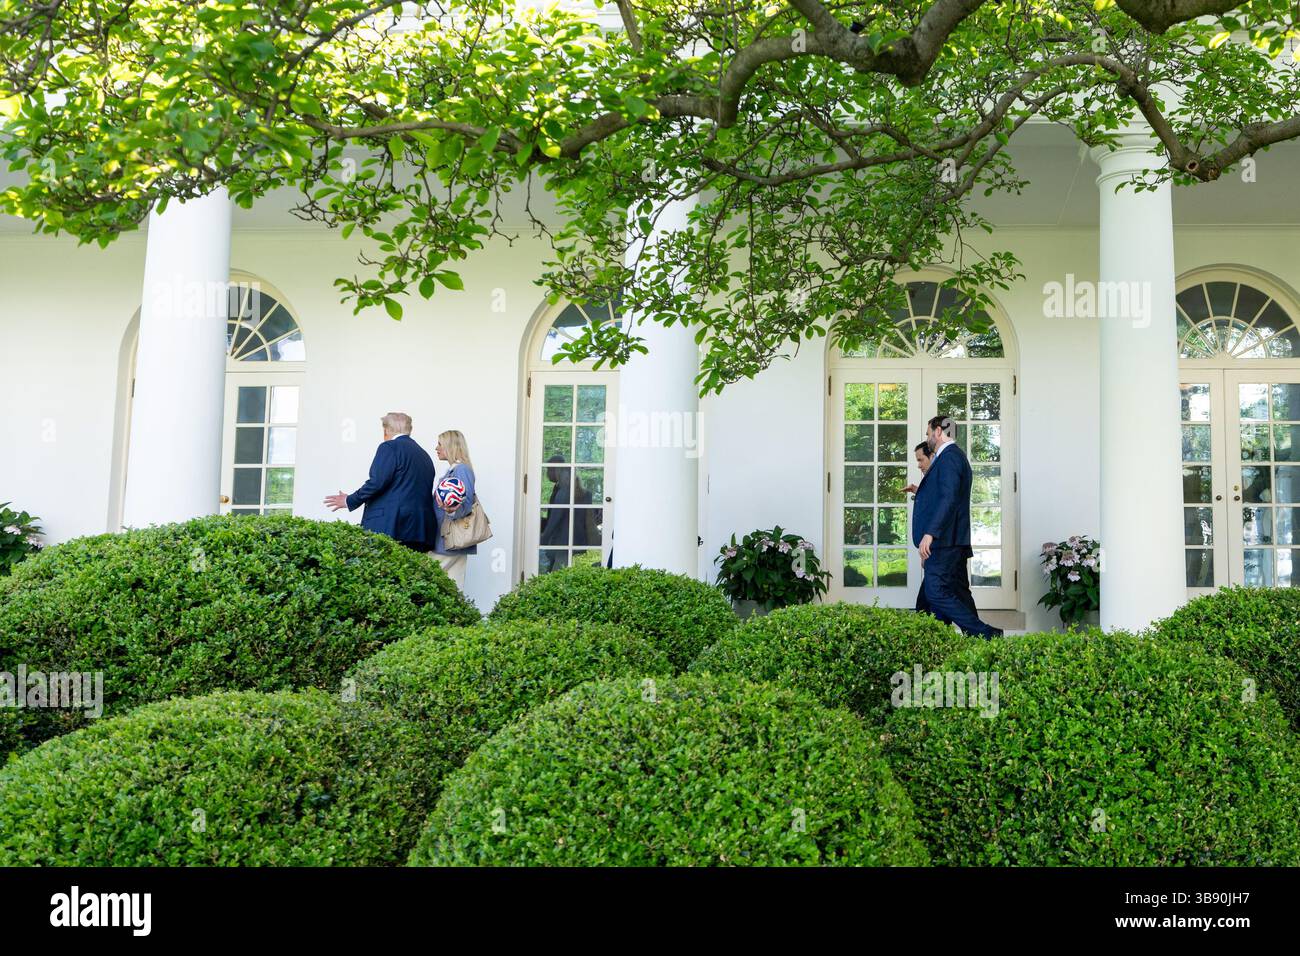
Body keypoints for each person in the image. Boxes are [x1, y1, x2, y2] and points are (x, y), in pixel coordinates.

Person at [912, 415, 1002, 638]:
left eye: (928, 433)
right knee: (956, 593)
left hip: (946, 541)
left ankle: (987, 634)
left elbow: (949, 498)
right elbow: (943, 494)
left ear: (939, 431)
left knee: (936, 591)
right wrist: (919, 492)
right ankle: (969, 639)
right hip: (952, 541)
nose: (927, 437)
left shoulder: (950, 458)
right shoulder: (950, 457)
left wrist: (930, 534)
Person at [324, 412, 437, 552]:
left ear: (386, 430)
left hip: (391, 525)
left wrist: (350, 500)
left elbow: (377, 482)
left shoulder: (389, 447)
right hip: (419, 529)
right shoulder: (424, 455)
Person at [432, 429, 479, 590]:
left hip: (449, 541)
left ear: (450, 446)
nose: (436, 448)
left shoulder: (461, 470)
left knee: (434, 581)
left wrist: (450, 510)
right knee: (452, 587)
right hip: (448, 540)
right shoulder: (455, 470)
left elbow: (465, 505)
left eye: (440, 444)